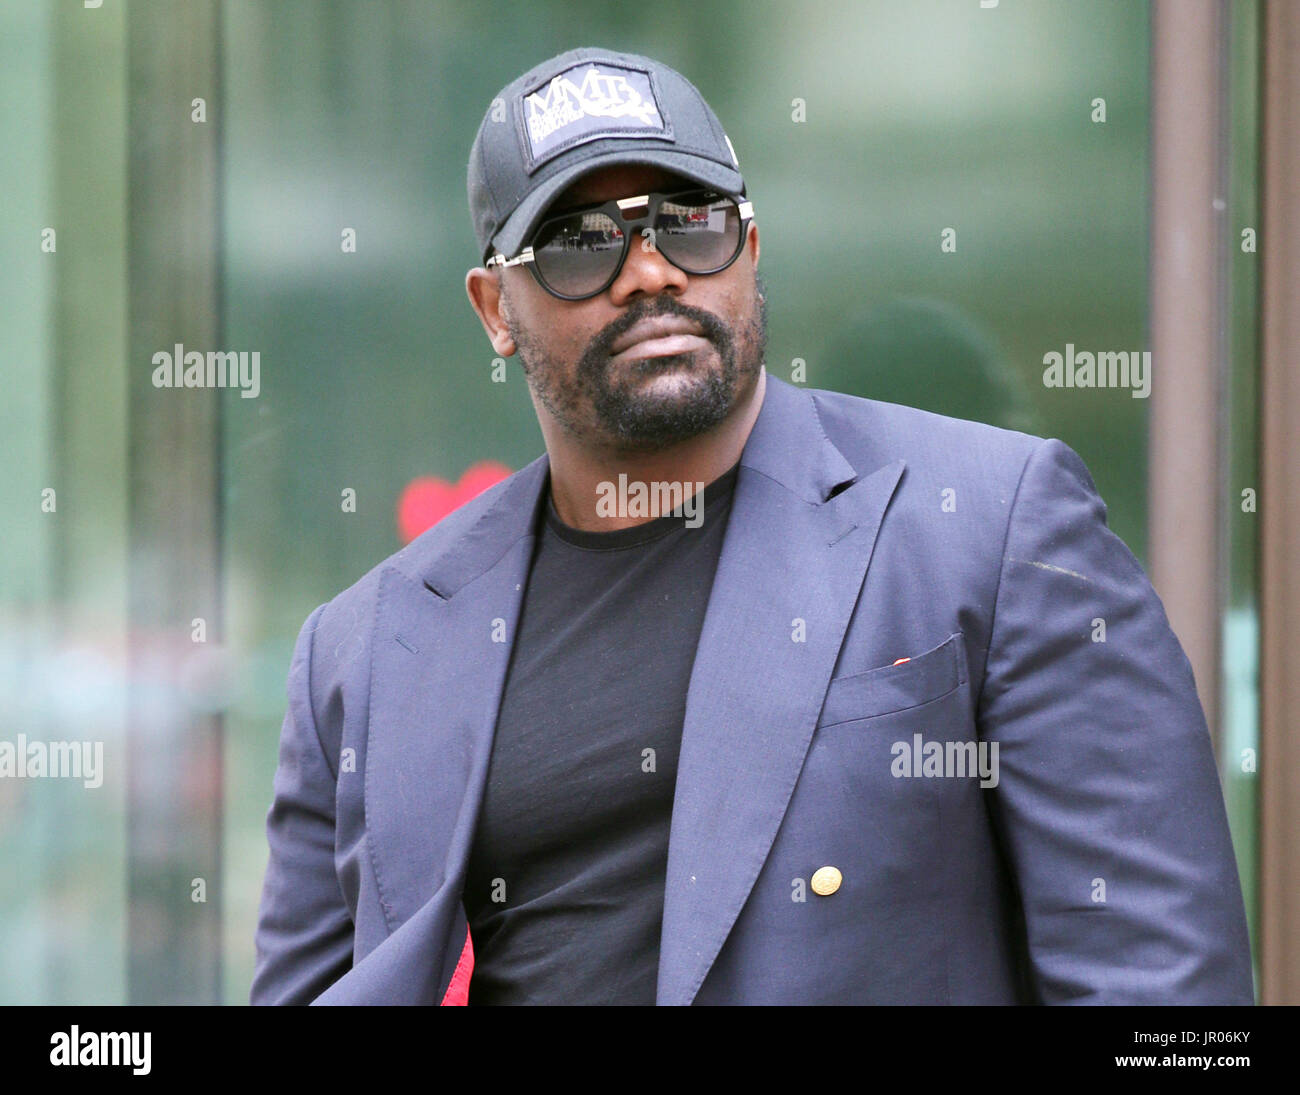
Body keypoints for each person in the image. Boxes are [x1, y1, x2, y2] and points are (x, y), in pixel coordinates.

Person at [250, 46, 1254, 1005]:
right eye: (581, 242)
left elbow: (1156, 985)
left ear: (750, 246)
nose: (649, 272)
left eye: (690, 220)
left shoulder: (993, 527)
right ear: (493, 309)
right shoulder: (366, 651)